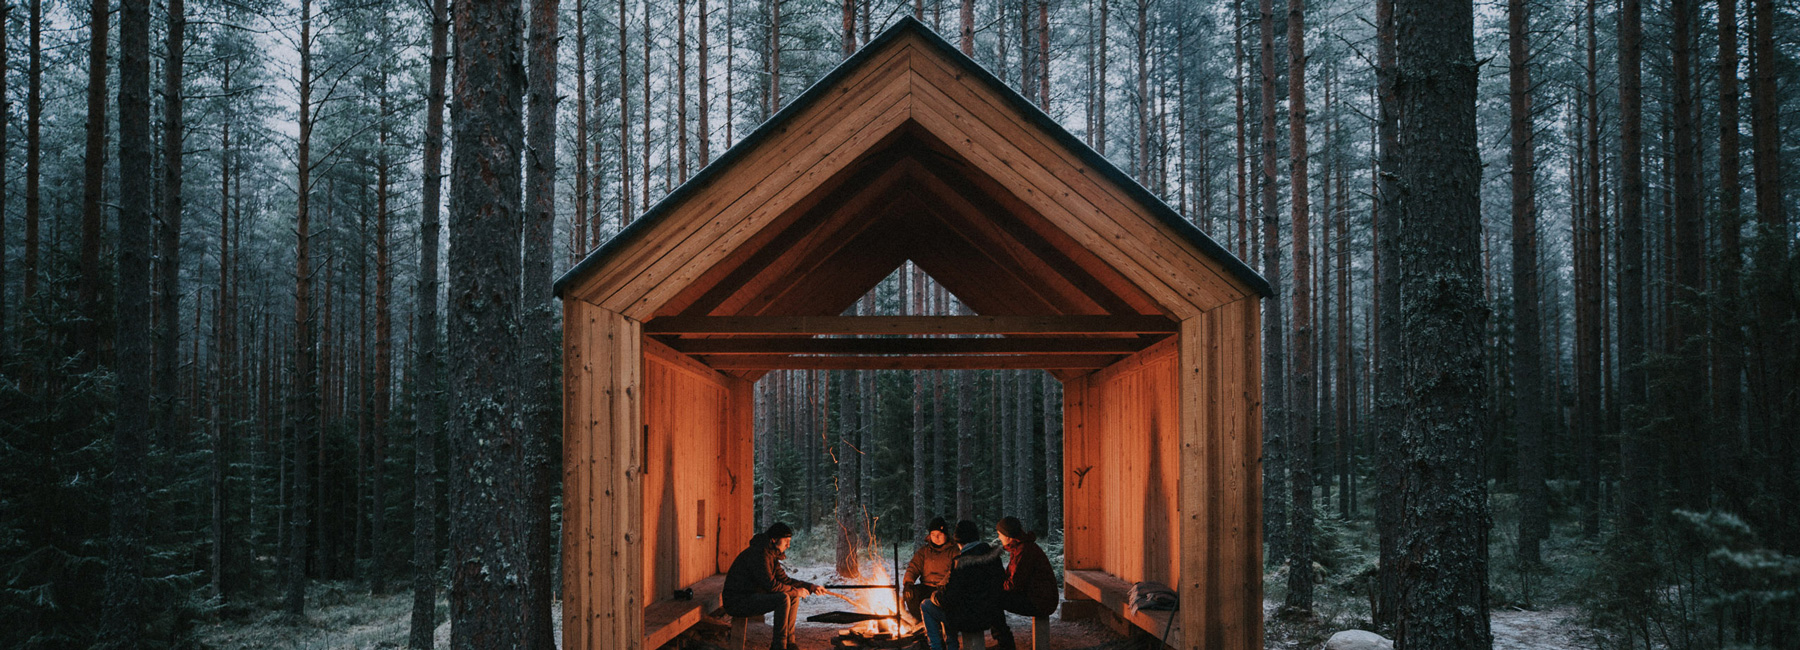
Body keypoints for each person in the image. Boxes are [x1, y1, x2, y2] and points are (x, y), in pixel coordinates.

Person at [723, 522, 827, 650]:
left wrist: (811, 587)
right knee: (783, 598)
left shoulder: (770, 554)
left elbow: (785, 581)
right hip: (737, 601)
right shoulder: (760, 554)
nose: (788, 545)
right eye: (786, 541)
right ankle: (779, 646)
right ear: (774, 539)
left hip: (751, 595)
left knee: (792, 596)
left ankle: (789, 643)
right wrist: (796, 591)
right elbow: (771, 585)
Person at [919, 520, 1004, 650]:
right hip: (989, 615)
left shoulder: (961, 564)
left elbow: (950, 599)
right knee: (953, 608)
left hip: (969, 619)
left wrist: (936, 596)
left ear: (958, 541)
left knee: (927, 605)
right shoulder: (993, 557)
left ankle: (937, 647)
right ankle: (951, 646)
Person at [990, 516, 1059, 650]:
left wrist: (994, 586)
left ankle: (1005, 643)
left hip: (1040, 602)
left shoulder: (1023, 551)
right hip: (1038, 597)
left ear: (1008, 535)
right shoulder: (1020, 547)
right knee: (994, 596)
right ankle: (1003, 641)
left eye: (1000, 534)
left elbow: (1013, 585)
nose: (998, 538)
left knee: (993, 599)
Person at [902, 517, 958, 623]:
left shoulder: (954, 551)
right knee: (911, 593)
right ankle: (921, 621)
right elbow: (913, 567)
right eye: (933, 535)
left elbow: (954, 571)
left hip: (944, 589)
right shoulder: (924, 551)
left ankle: (940, 622)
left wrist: (943, 585)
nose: (936, 538)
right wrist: (908, 583)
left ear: (945, 534)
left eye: (939, 534)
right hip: (926, 587)